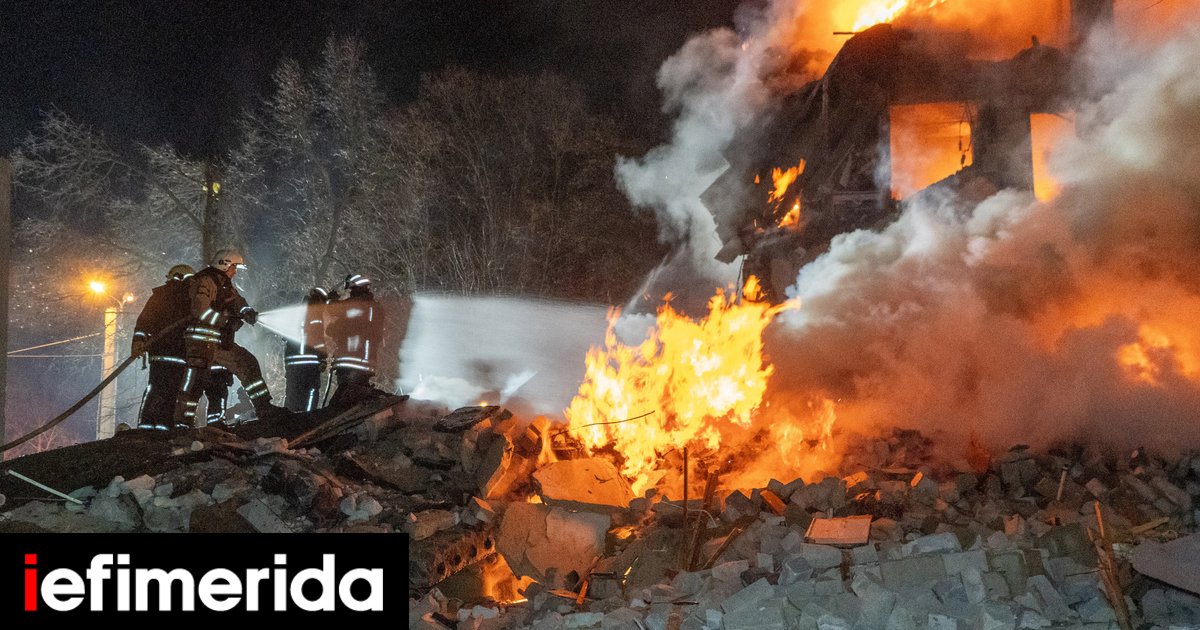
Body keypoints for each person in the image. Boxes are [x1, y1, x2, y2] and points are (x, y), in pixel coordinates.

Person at [173, 248, 284, 426]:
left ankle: (264, 407)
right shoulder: (205, 281)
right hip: (200, 341)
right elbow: (200, 311)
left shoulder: (224, 284)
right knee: (195, 382)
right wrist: (225, 322)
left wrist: (247, 312)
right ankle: (181, 423)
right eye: (234, 267)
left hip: (217, 342)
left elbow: (237, 301)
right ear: (224, 265)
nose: (235, 272)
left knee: (248, 363)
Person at [132, 264, 194, 430]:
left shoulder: (159, 296)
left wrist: (138, 341)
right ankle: (163, 426)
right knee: (172, 391)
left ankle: (147, 425)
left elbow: (143, 322)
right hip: (179, 353)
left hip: (160, 352)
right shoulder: (190, 297)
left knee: (156, 388)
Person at [325, 274, 384, 406]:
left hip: (352, 360)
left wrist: (331, 299)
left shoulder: (359, 305)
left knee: (347, 398)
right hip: (365, 361)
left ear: (357, 288)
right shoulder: (374, 307)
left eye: (352, 290)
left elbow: (334, 309)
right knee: (357, 396)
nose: (350, 293)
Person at [284, 287, 331, 412]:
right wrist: (323, 358)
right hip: (309, 364)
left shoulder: (297, 312)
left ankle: (288, 420)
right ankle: (307, 418)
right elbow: (318, 338)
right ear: (319, 300)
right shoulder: (315, 313)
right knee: (311, 393)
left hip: (292, 363)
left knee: (293, 395)